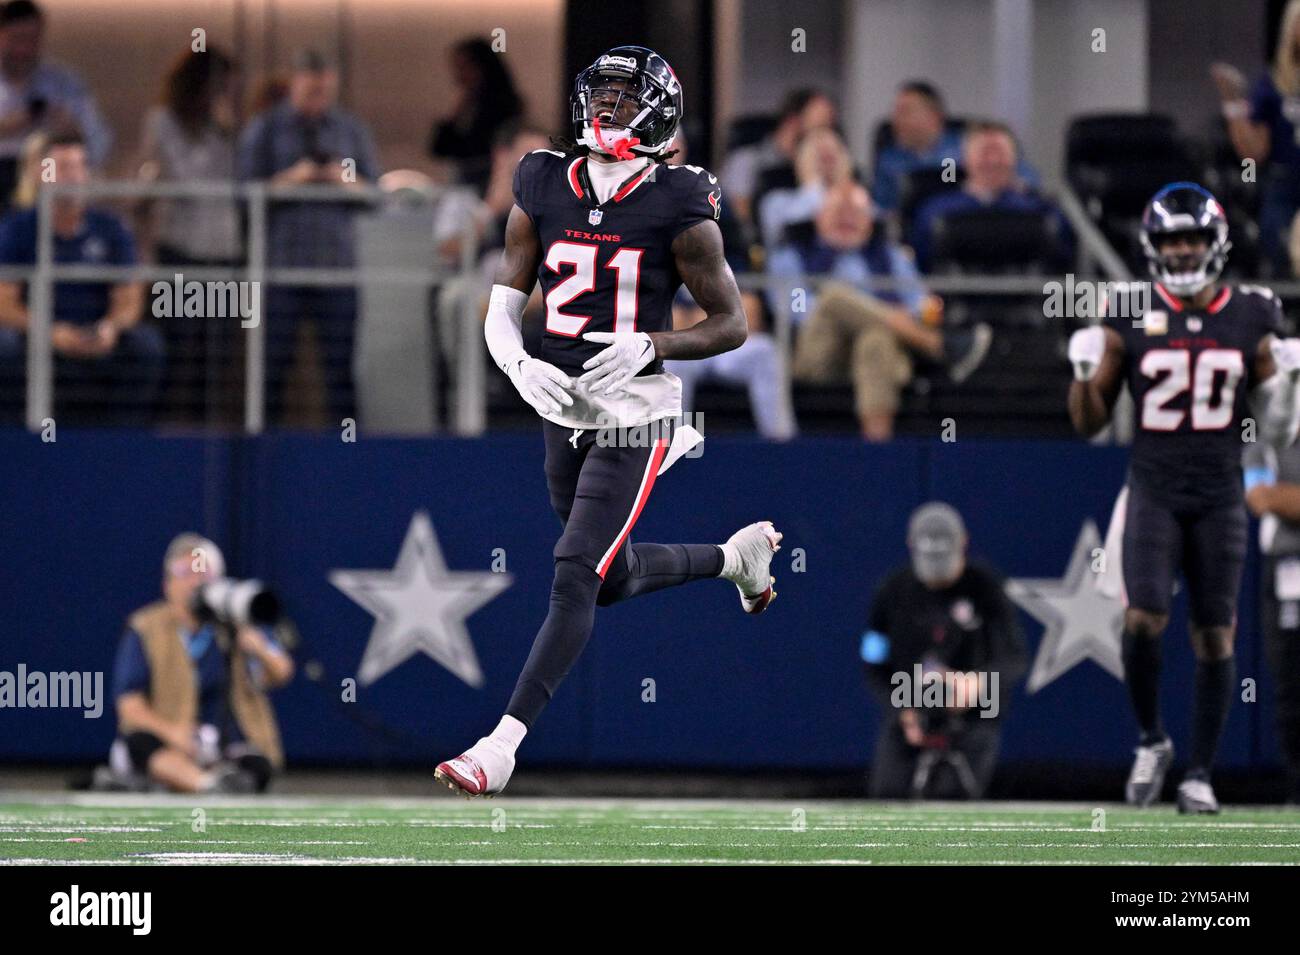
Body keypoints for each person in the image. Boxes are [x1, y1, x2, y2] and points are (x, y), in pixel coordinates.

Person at [435, 46, 783, 797]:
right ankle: (735, 560)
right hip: (562, 404)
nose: (610, 108)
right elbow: (500, 306)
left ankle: (499, 747)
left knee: (571, 574)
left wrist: (653, 342)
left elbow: (732, 323)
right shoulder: (541, 178)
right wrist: (519, 366)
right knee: (608, 577)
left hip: (635, 411)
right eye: (603, 94)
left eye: (627, 98)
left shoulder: (681, 196)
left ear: (658, 111)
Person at [1067, 182, 1300, 813]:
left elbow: (1278, 432)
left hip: (1220, 491)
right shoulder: (1129, 309)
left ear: (1217, 241)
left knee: (1215, 637)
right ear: (1153, 247)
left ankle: (1199, 772)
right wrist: (1083, 375)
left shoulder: (1253, 311)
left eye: (1193, 237)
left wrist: (1282, 389)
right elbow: (1088, 423)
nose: (1183, 249)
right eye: (1172, 240)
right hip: (1154, 487)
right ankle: (1152, 739)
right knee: (1142, 619)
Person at [767, 180, 991, 441]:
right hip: (820, 351)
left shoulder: (891, 257)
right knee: (832, 297)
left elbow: (919, 303)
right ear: (818, 218)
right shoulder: (791, 256)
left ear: (870, 222)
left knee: (875, 338)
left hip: (883, 352)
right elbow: (799, 311)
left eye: (856, 213)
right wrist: (872, 313)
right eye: (839, 211)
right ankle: (937, 345)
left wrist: (911, 313)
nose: (846, 219)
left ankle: (876, 453)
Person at [236, 49, 381, 426]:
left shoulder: (350, 131)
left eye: (323, 91)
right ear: (294, 84)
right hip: (280, 269)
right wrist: (293, 178)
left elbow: (374, 193)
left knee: (341, 372)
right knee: (271, 369)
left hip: (337, 267)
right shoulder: (266, 129)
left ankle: (347, 455)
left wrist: (339, 178)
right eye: (310, 90)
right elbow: (242, 194)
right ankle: (262, 452)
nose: (317, 98)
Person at [862, 503, 1024, 799]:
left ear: (963, 542)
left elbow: (1014, 655)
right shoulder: (891, 592)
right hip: (909, 711)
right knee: (886, 795)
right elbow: (872, 661)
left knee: (951, 798)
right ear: (911, 546)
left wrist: (976, 683)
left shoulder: (986, 588)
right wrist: (902, 711)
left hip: (974, 717)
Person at [110, 534, 294, 794]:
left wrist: (259, 647)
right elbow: (129, 707)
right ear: (167, 584)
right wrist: (173, 733)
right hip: (169, 741)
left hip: (219, 746)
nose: (195, 582)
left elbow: (281, 672)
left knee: (257, 763)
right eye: (185, 572)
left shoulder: (233, 626)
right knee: (138, 743)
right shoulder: (146, 627)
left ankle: (213, 781)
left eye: (204, 573)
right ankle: (206, 785)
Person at [0, 131, 161, 426]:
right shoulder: (16, 229)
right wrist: (48, 331)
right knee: (4, 346)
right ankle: (16, 441)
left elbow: (129, 299)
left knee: (145, 345)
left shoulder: (111, 228)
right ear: (40, 173)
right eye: (63, 167)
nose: (73, 176)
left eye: (79, 166)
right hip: (38, 337)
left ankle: (119, 444)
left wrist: (110, 327)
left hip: (95, 337)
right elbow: (4, 303)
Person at [136, 46, 243, 423]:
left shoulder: (233, 131)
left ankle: (205, 436)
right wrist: (215, 131)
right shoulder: (163, 121)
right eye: (220, 87)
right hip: (181, 252)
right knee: (177, 350)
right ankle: (162, 436)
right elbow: (188, 179)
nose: (226, 96)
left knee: (216, 356)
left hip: (226, 254)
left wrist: (227, 132)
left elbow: (243, 182)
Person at [910, 120, 1072, 273]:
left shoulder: (1040, 209)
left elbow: (1062, 259)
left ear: (1015, 159)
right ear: (965, 158)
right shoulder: (935, 209)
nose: (993, 161)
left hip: (1030, 298)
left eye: (1000, 152)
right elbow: (921, 263)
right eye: (985, 152)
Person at [1212, 0, 1300, 276]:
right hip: (1286, 185)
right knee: (1283, 246)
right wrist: (1233, 101)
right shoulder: (1274, 84)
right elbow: (1253, 153)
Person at [0, 1, 111, 210]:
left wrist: (73, 132)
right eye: (17, 39)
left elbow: (101, 142)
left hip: (49, 196)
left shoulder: (64, 85)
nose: (24, 49)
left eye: (32, 40)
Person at [1243, 440, 1300, 804]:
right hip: (1287, 572)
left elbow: (1274, 497)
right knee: (1291, 688)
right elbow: (1260, 498)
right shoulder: (1262, 442)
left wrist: (1286, 498)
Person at [719, 88, 835, 230]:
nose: (824, 135)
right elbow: (741, 222)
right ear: (793, 121)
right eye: (820, 125)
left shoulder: (823, 166)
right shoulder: (747, 160)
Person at [427, 37, 524, 191]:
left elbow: (474, 149)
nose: (458, 77)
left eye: (463, 68)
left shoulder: (501, 107)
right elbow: (439, 147)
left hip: (488, 185)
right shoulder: (468, 105)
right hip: (465, 184)